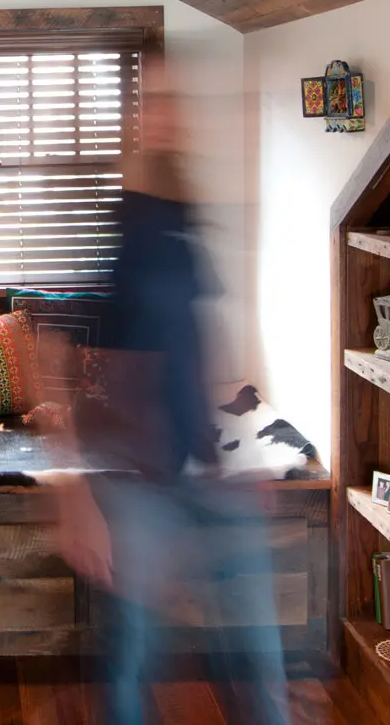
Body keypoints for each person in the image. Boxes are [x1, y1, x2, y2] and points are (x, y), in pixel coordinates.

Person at [51, 61, 291, 724]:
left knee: (257, 641)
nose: (171, 115)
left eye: (176, 102)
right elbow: (60, 377)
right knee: (134, 649)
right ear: (136, 123)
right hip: (131, 475)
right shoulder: (114, 233)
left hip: (203, 462)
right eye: (155, 103)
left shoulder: (186, 218)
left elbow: (206, 339)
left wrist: (244, 452)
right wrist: (79, 507)